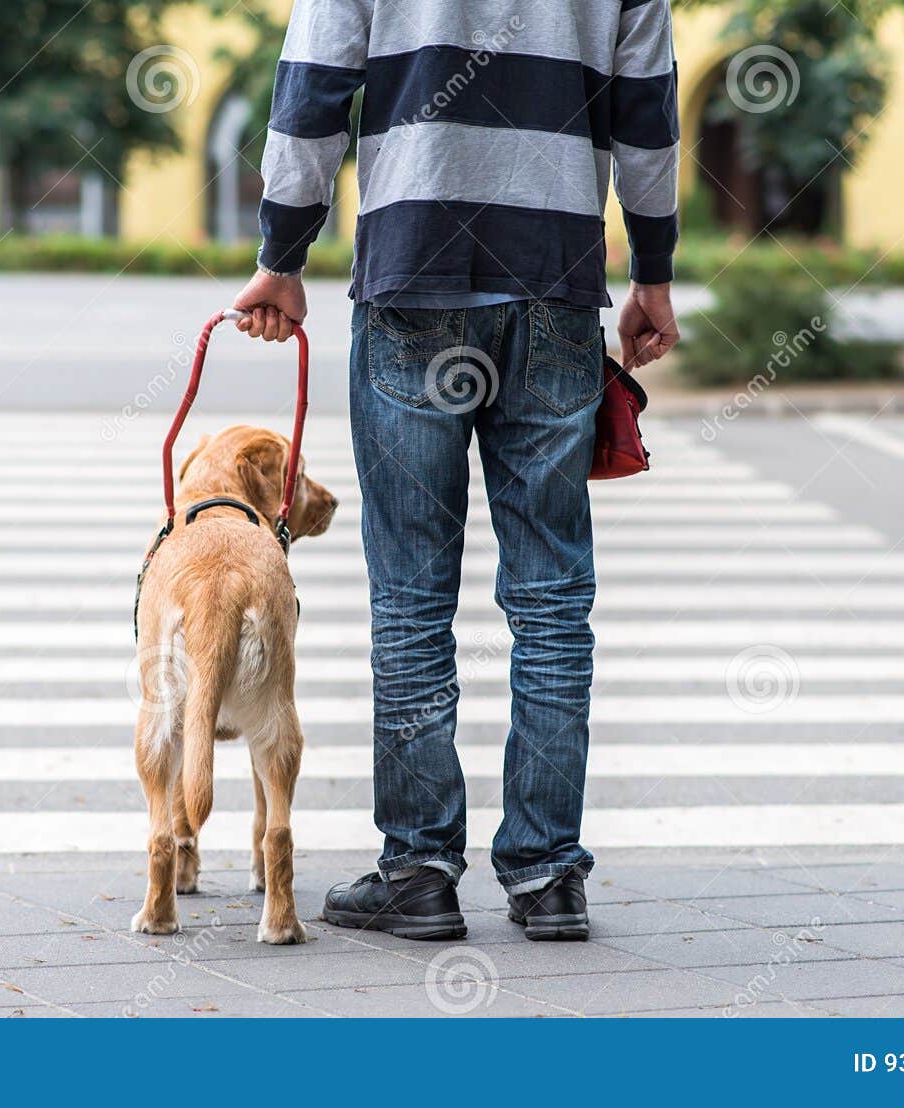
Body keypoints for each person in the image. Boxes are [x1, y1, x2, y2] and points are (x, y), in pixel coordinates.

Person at [230, 0, 680, 941]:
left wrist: (281, 256)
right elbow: (646, 113)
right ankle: (548, 875)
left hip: (412, 281)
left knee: (410, 596)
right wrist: (653, 274)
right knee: (553, 598)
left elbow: (312, 95)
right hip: (555, 285)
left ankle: (420, 871)